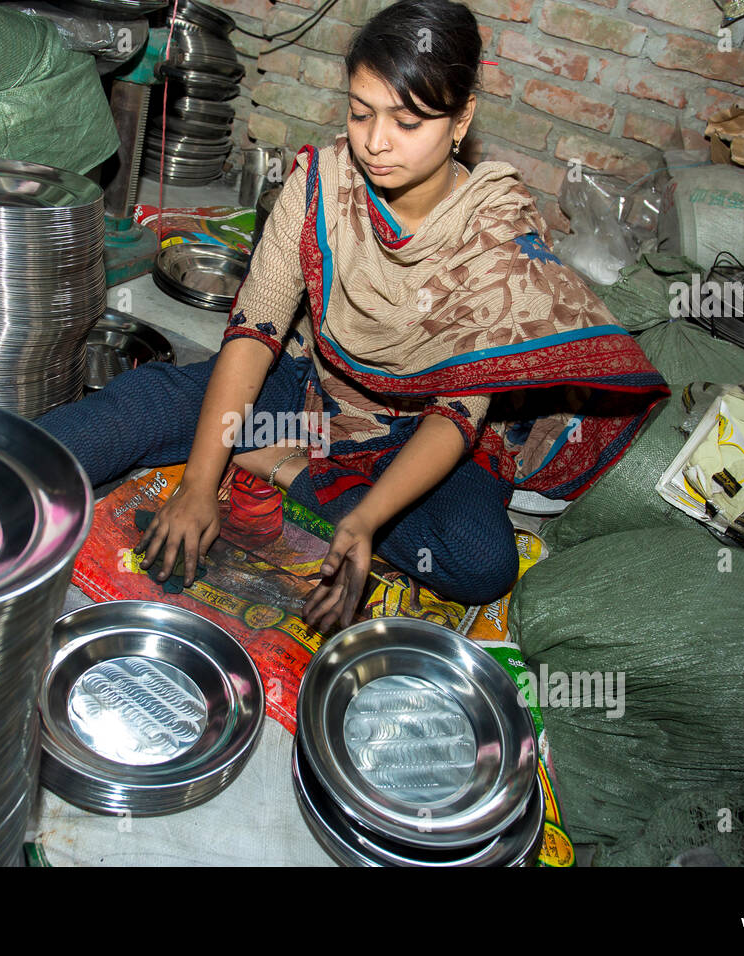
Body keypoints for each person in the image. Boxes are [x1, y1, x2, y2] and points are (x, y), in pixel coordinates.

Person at [37, 0, 669, 633]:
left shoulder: (492, 236)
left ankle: (292, 470)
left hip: (419, 432)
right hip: (317, 394)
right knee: (139, 408)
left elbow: (458, 413)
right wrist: (201, 483)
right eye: (361, 112)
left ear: (461, 119)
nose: (375, 142)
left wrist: (363, 522)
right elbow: (255, 333)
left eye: (408, 120)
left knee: (482, 560)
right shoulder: (321, 185)